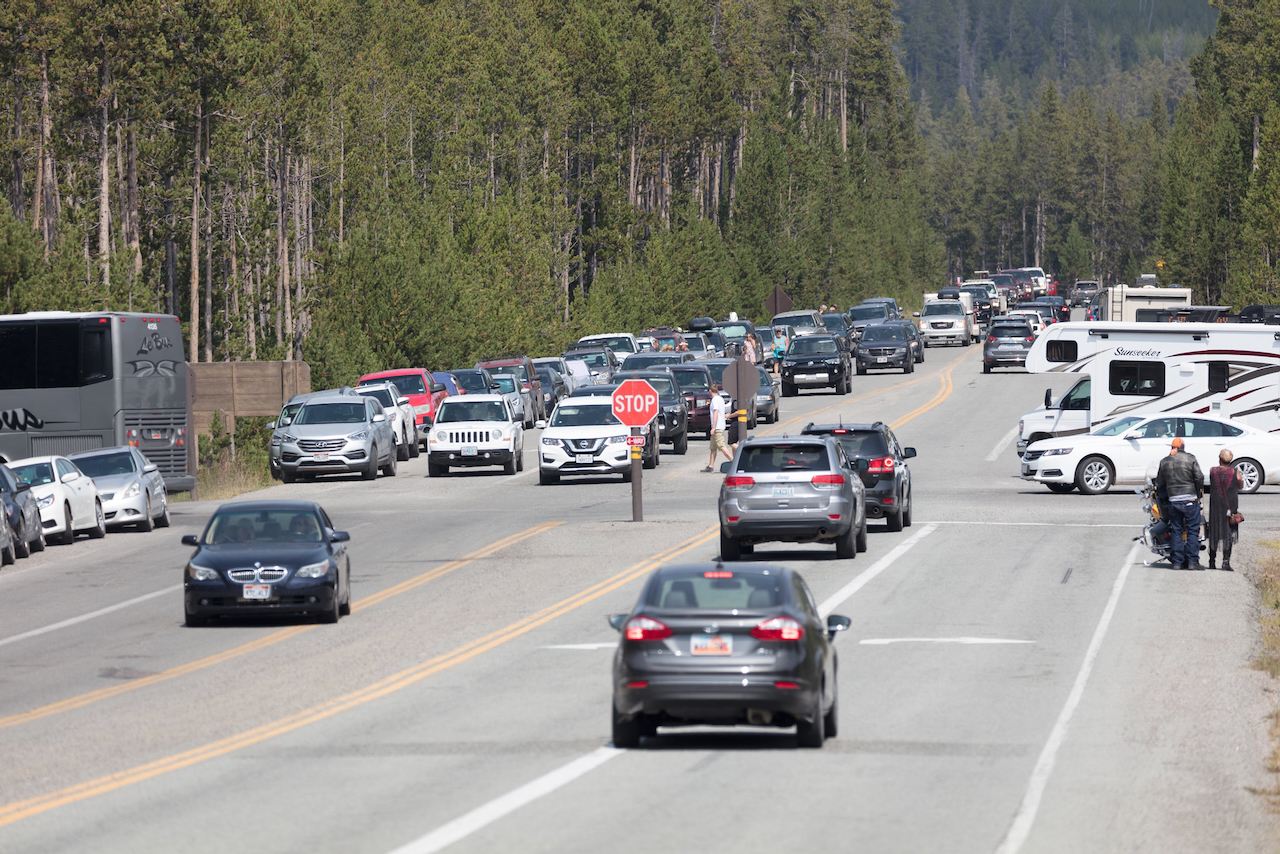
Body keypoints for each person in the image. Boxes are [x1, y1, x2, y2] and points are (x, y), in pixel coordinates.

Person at [1155, 437, 1205, 569]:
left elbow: (1160, 482)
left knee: (1176, 530)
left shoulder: (1164, 461)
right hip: (1190, 499)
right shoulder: (1190, 458)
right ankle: (1192, 562)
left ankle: (1177, 562)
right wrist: (1198, 492)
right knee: (1192, 531)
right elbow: (1199, 477)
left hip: (1173, 500)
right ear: (1183, 447)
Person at [1207, 449, 1241, 570]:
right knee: (1229, 533)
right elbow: (1240, 484)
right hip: (1230, 506)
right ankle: (1226, 562)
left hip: (1215, 506)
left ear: (1219, 459)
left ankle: (1212, 561)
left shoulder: (1212, 470)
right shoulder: (1235, 472)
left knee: (1214, 532)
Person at [703, 385, 733, 472]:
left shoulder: (715, 400)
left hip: (717, 427)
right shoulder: (720, 398)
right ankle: (711, 466)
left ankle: (734, 462)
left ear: (710, 390)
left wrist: (713, 427)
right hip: (719, 425)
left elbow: (716, 412)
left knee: (721, 446)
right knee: (713, 447)